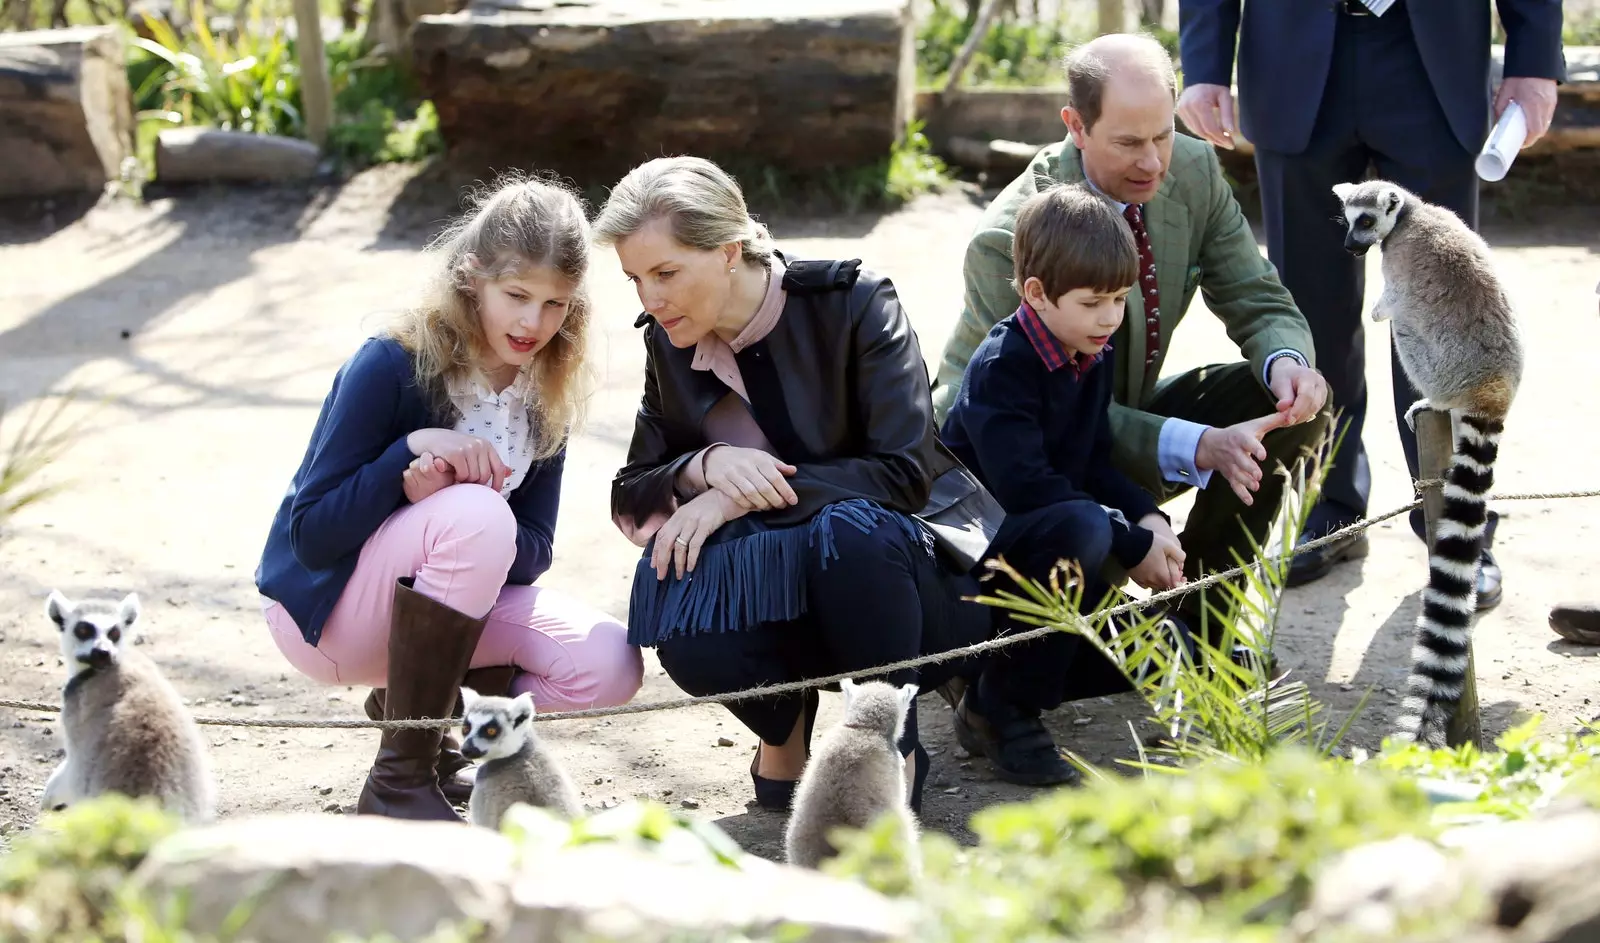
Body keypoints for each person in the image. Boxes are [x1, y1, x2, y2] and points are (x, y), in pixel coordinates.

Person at [596, 155, 1045, 809]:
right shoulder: (668, 336)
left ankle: (890, 748)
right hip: (786, 582)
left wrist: (729, 500)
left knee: (851, 530)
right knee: (674, 586)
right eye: (636, 277)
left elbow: (903, 471)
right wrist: (703, 466)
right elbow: (631, 494)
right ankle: (784, 726)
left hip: (921, 585)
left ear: (728, 251)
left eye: (665, 272)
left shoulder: (856, 298)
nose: (650, 298)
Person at [255, 175, 645, 822]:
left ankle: (421, 719)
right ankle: (397, 782)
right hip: (326, 618)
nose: (533, 322)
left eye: (555, 304)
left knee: (609, 665)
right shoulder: (391, 364)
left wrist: (457, 505)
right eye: (516, 295)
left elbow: (533, 553)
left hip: (436, 626)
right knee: (478, 515)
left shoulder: (543, 394)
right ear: (473, 278)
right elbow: (312, 535)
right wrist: (405, 458)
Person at [929, 32, 1330, 635]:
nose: (1153, 162)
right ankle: (993, 652)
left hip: (1113, 425)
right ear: (1075, 125)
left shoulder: (1194, 169)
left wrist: (1289, 365)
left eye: (1163, 135)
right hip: (1009, 461)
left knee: (1280, 408)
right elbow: (1048, 416)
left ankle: (1200, 631)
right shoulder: (1007, 239)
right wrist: (1197, 445)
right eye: (1128, 143)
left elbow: (1254, 293)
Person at [1176, 0, 1564, 601]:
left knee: (1444, 305)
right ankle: (1328, 506)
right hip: (1289, 52)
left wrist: (1535, 54)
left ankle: (1454, 524)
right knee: (1309, 306)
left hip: (1433, 48)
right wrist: (1203, 61)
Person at [939, 182, 1198, 784]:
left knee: (1181, 650)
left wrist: (1148, 519)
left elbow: (1092, 462)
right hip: (979, 562)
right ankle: (997, 707)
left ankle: (997, 678)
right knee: (1083, 525)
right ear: (1036, 293)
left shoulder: (1089, 352)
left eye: (1119, 299)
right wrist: (1129, 546)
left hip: (1052, 556)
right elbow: (1027, 488)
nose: (1110, 317)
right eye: (1093, 302)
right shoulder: (1003, 366)